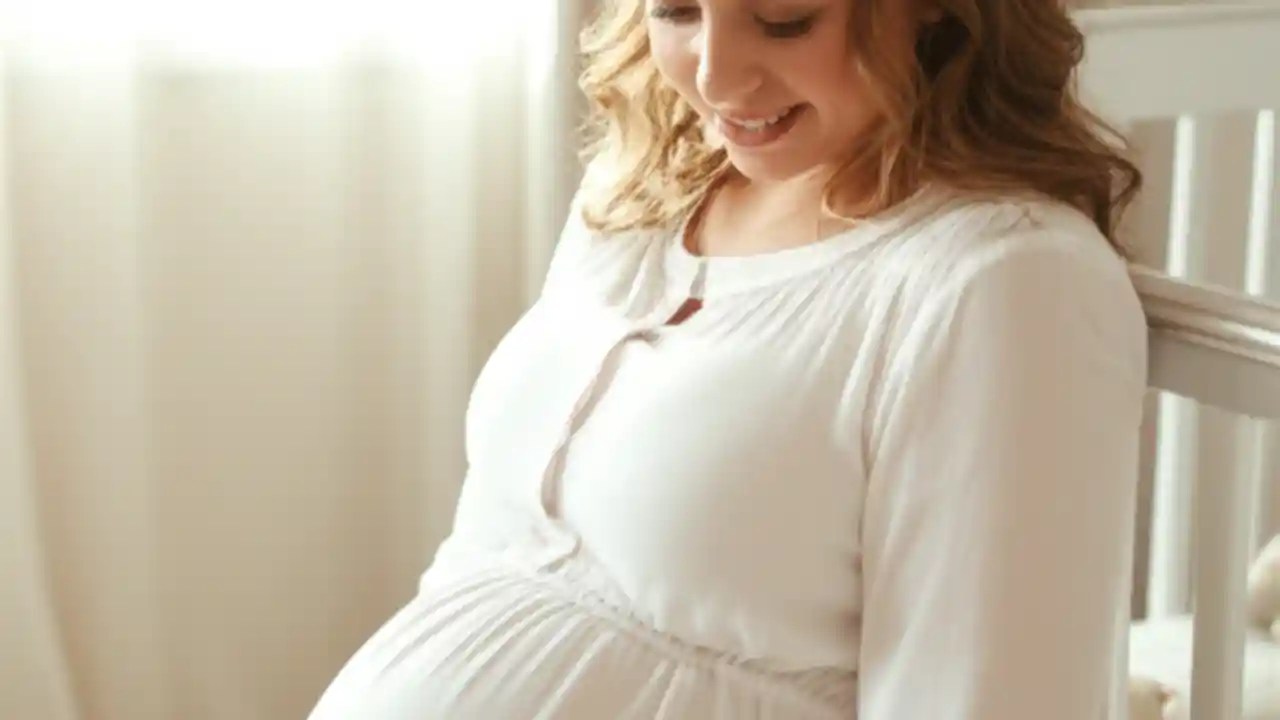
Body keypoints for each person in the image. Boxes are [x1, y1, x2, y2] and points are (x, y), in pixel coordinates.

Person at [307, 0, 1149, 717]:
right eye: (677, 9)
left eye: (784, 20)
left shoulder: (1004, 283)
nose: (714, 78)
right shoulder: (648, 185)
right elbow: (486, 558)